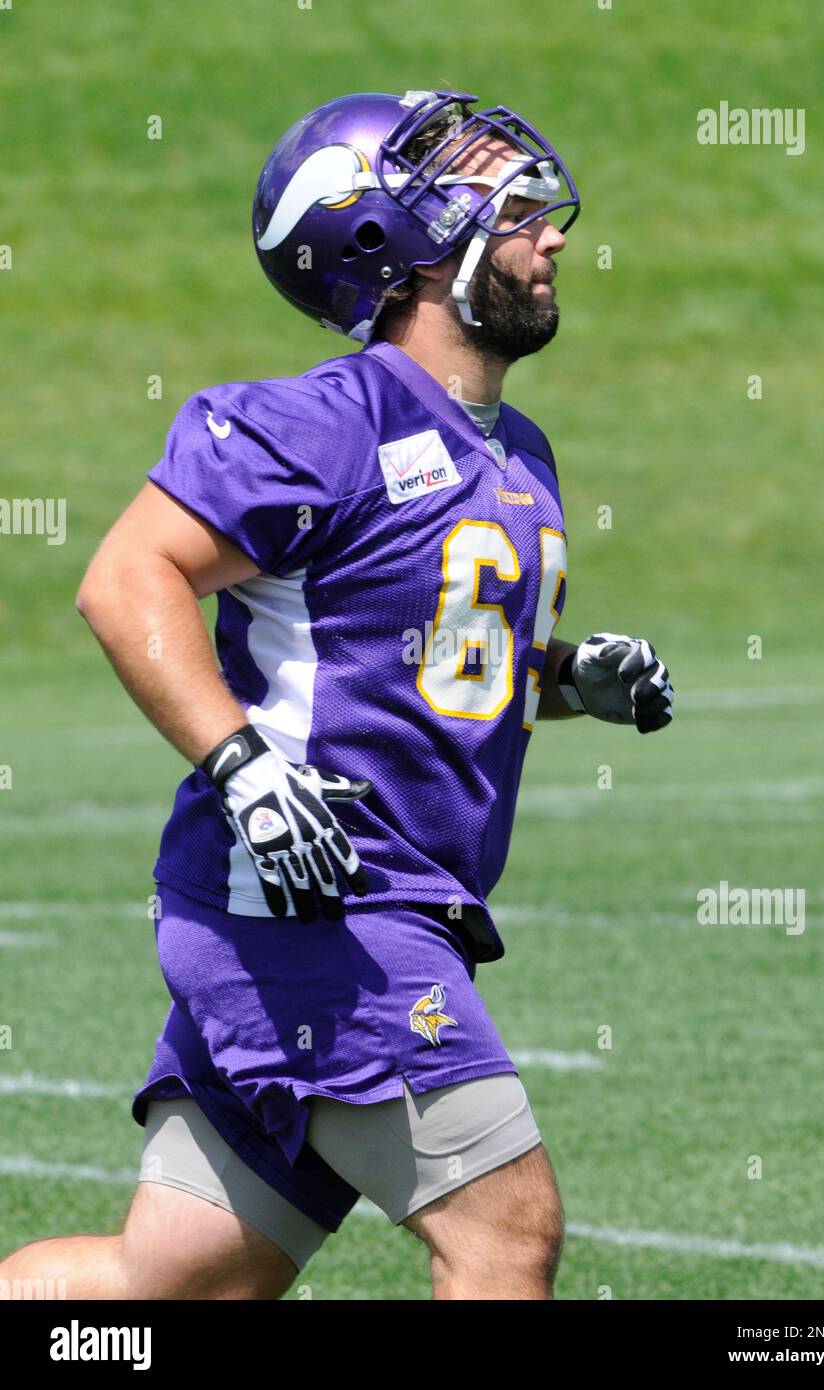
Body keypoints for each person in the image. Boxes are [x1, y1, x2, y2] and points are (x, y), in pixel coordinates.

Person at [0, 88, 673, 1301]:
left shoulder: (516, 448)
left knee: (168, 1283)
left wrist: (567, 679)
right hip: (317, 905)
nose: (553, 234)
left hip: (358, 911)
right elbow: (126, 577)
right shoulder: (323, 420)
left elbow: (422, 661)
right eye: (514, 207)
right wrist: (242, 761)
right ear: (387, 241)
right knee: (505, 1232)